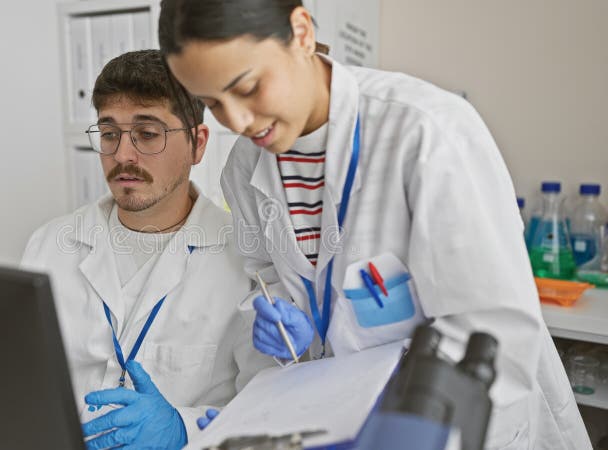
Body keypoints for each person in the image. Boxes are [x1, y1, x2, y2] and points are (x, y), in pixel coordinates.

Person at [158, 1, 590, 449]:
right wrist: (285, 327)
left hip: (466, 425)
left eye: (247, 87)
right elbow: (267, 277)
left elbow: (493, 336)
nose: (238, 121)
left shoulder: (426, 132)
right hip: (342, 412)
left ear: (301, 32)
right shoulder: (243, 168)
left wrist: (410, 432)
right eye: (213, 104)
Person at [21, 49, 274, 450]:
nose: (123, 154)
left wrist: (182, 430)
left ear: (197, 143)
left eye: (148, 133)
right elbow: (20, 382)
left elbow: (270, 412)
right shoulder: (51, 244)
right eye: (109, 133)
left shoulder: (248, 262)